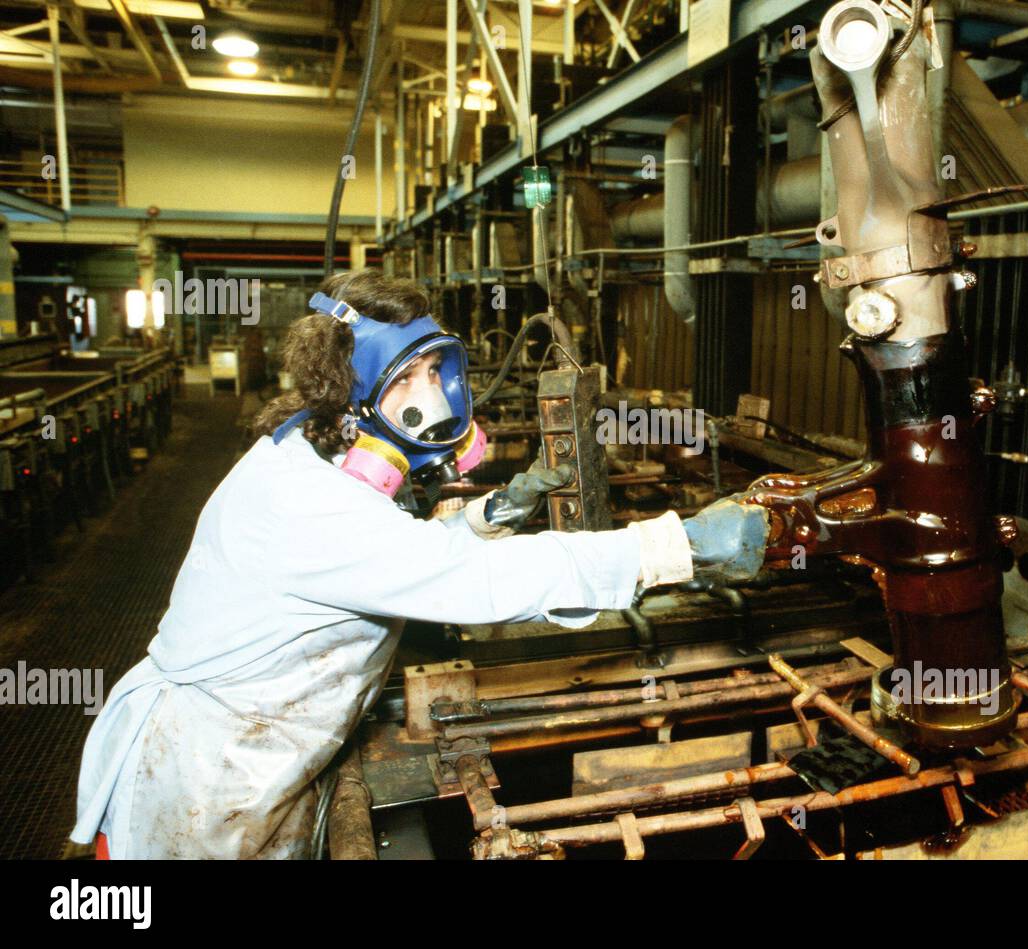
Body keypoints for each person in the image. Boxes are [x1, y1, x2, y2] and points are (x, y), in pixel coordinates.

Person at [69, 270, 768, 859]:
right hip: (203, 788)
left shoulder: (309, 455)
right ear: (354, 386)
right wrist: (676, 545)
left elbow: (394, 554)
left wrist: (484, 515)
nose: (436, 393)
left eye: (440, 369)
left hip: (258, 760)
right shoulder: (311, 505)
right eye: (414, 374)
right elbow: (483, 584)